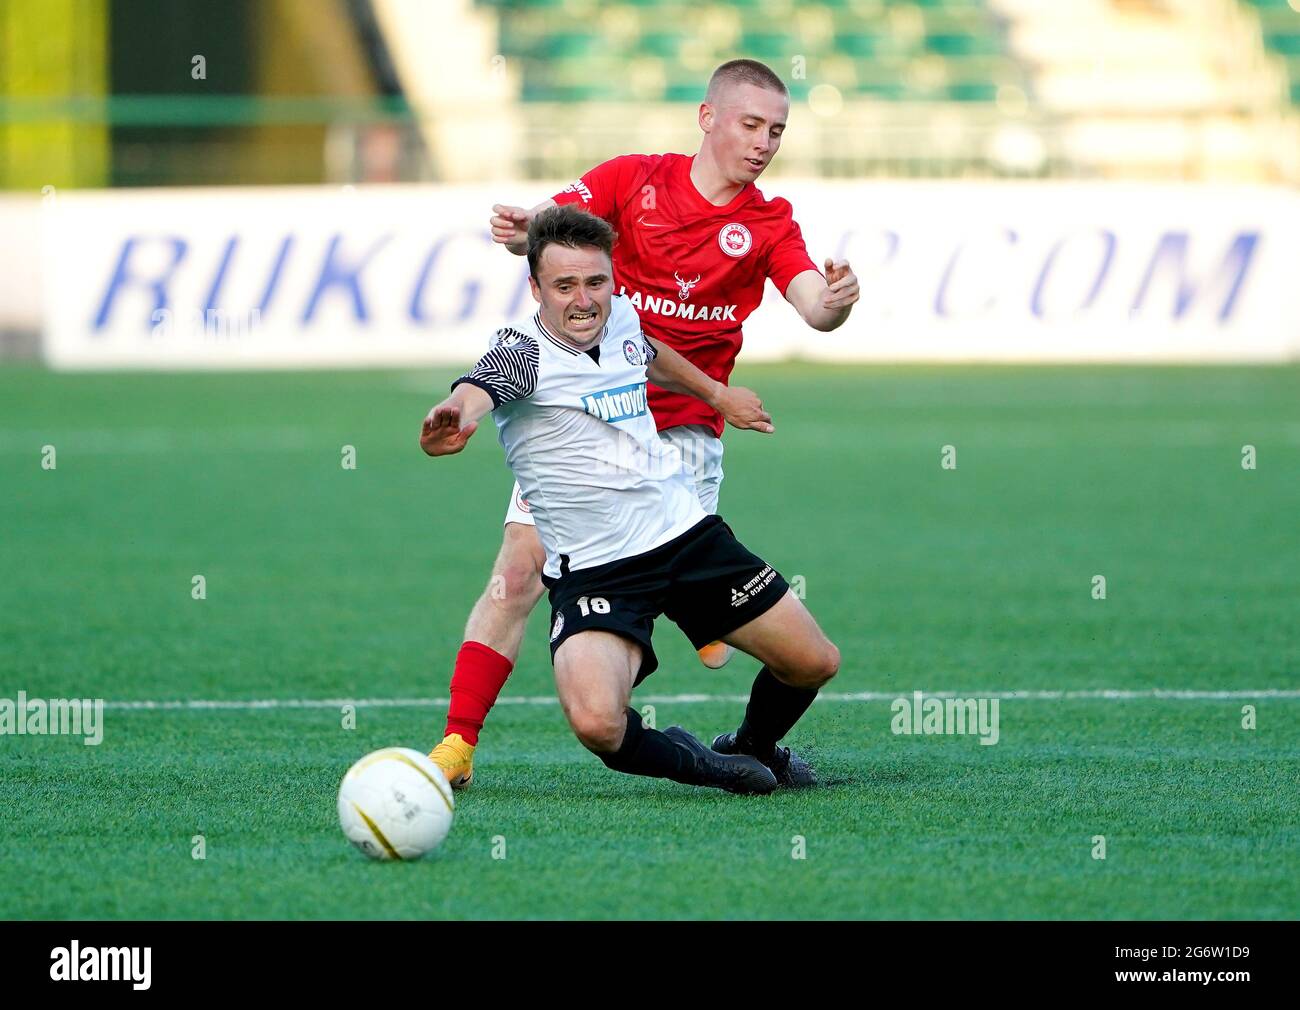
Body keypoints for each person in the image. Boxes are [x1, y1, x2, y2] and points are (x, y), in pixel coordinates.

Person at [432, 58, 859, 788]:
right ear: (707, 117)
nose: (763, 143)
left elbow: (815, 307)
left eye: (777, 131)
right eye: (751, 124)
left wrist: (840, 300)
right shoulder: (635, 180)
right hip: (574, 424)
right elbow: (555, 235)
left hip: (681, 440)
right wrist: (519, 230)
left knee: (683, 583)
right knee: (514, 574)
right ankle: (458, 744)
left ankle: (721, 696)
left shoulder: (766, 223)